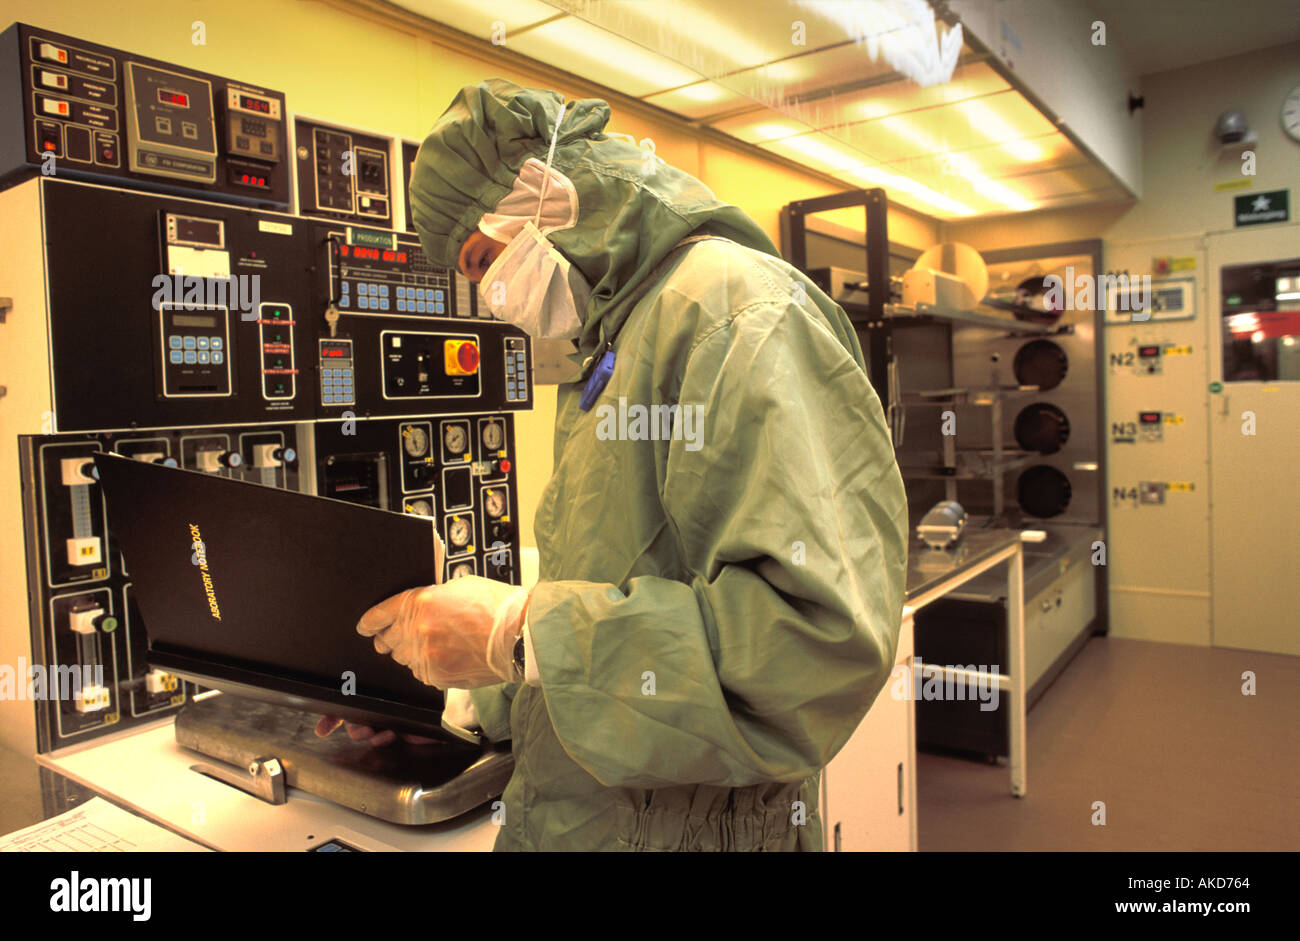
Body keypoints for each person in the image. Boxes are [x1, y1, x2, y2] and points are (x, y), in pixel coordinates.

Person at [317, 78, 909, 851]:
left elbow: (808, 650)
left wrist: (519, 632)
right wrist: (456, 687)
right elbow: (619, 600)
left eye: (483, 259)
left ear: (544, 191)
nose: (494, 295)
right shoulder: (615, 343)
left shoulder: (737, 315)